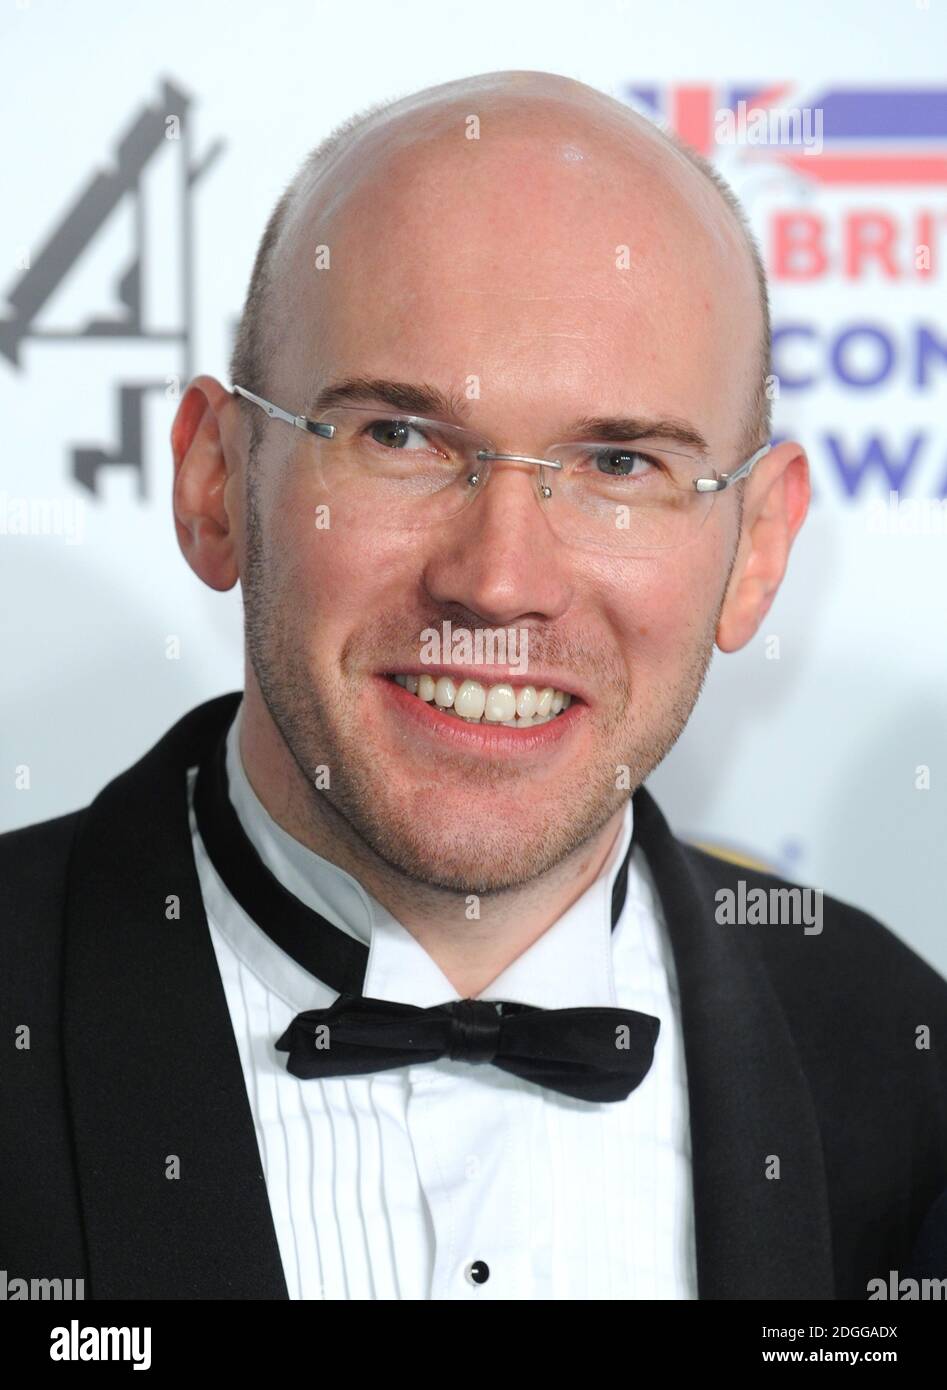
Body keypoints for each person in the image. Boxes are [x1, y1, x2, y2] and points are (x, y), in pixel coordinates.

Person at [2, 69, 945, 1302]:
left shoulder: (902, 1073)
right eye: (400, 437)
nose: (499, 581)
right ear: (215, 483)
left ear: (754, 552)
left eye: (617, 461)